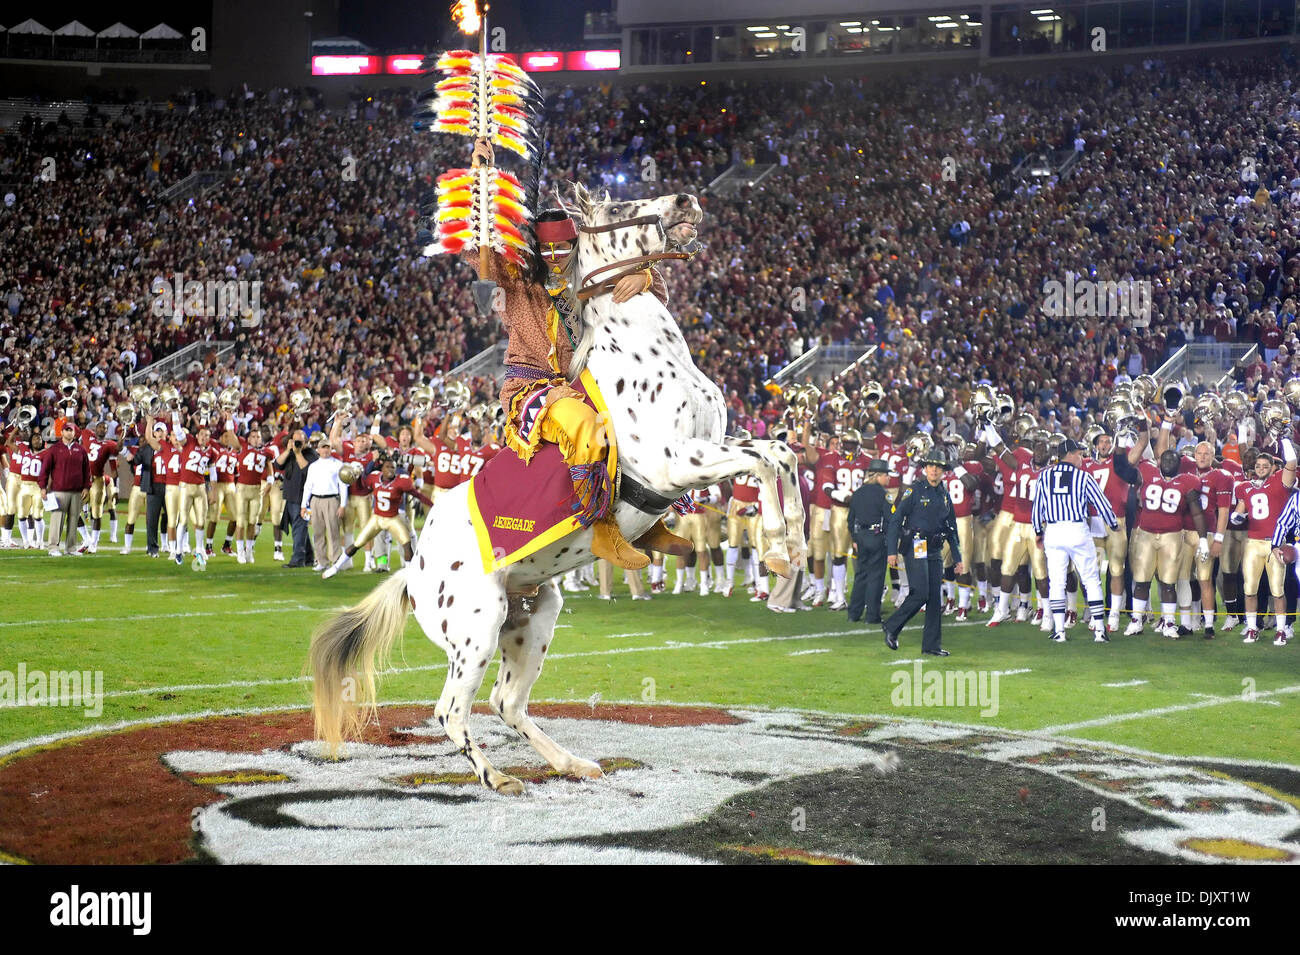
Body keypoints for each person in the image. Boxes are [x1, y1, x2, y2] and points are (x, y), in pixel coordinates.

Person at [461, 138, 687, 570]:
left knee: (638, 421)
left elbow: (646, 278)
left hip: (581, 379)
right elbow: (480, 251)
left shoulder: (587, 272)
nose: (555, 258)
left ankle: (648, 517)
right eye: (547, 252)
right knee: (585, 428)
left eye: (563, 249)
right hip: (531, 385)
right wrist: (481, 179)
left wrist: (643, 277)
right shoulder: (520, 277)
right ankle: (603, 527)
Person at [1031, 438, 1117, 643]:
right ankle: (1099, 631)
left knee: (1057, 582)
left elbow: (1037, 508)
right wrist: (1113, 523)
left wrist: (1037, 531)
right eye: (1079, 454)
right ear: (1069, 454)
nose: (1082, 457)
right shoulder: (1083, 477)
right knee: (1091, 580)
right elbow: (1101, 502)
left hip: (1053, 530)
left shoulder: (1044, 476)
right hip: (1077, 528)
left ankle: (1059, 631)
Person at [883, 450, 963, 656]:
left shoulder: (945, 495)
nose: (934, 469)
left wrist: (958, 557)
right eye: (930, 466)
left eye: (938, 466)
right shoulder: (915, 491)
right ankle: (892, 626)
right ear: (925, 469)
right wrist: (892, 550)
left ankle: (931, 646)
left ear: (943, 471)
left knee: (935, 598)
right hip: (917, 544)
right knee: (921, 593)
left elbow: (952, 528)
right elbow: (896, 519)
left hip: (935, 547)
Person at [847, 457, 891, 624]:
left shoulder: (857, 493)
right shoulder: (884, 495)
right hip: (877, 537)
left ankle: (854, 613)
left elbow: (850, 519)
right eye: (886, 474)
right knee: (876, 577)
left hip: (861, 537)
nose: (888, 478)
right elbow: (890, 519)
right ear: (878, 475)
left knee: (861, 576)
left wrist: (855, 538)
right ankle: (872, 615)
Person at [39, 421, 91, 556]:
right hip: (59, 490)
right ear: (61, 432)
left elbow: (87, 471)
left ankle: (71, 548)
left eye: (71, 430)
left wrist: (86, 487)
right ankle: (53, 548)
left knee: (74, 520)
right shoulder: (54, 449)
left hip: (77, 491)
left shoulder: (81, 450)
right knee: (57, 520)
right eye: (67, 430)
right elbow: (45, 470)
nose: (69, 432)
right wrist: (42, 487)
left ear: (74, 433)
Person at [302, 434, 346, 570]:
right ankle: (321, 561)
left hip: (332, 499)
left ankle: (336, 561)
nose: (325, 450)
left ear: (331, 449)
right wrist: (304, 504)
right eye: (323, 447)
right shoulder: (313, 466)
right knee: (318, 532)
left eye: (328, 447)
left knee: (333, 532)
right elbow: (308, 486)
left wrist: (343, 505)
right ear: (318, 450)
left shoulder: (338, 465)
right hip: (316, 500)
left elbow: (343, 485)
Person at [277, 428, 318, 568]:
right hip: (291, 497)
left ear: (306, 441)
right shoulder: (290, 453)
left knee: (299, 528)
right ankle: (308, 557)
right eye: (295, 441)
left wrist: (298, 453)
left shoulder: (311, 453)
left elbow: (307, 470)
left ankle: (297, 560)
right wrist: (289, 450)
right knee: (300, 528)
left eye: (300, 441)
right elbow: (277, 464)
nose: (298, 443)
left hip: (303, 498)